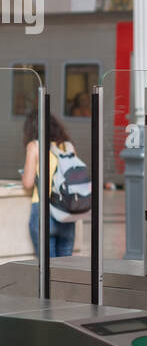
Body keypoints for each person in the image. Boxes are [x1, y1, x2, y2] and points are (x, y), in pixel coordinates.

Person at [21, 109, 78, 258]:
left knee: (47, 271)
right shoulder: (67, 146)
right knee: (66, 269)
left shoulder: (35, 146)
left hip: (43, 210)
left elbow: (27, 182)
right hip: (67, 213)